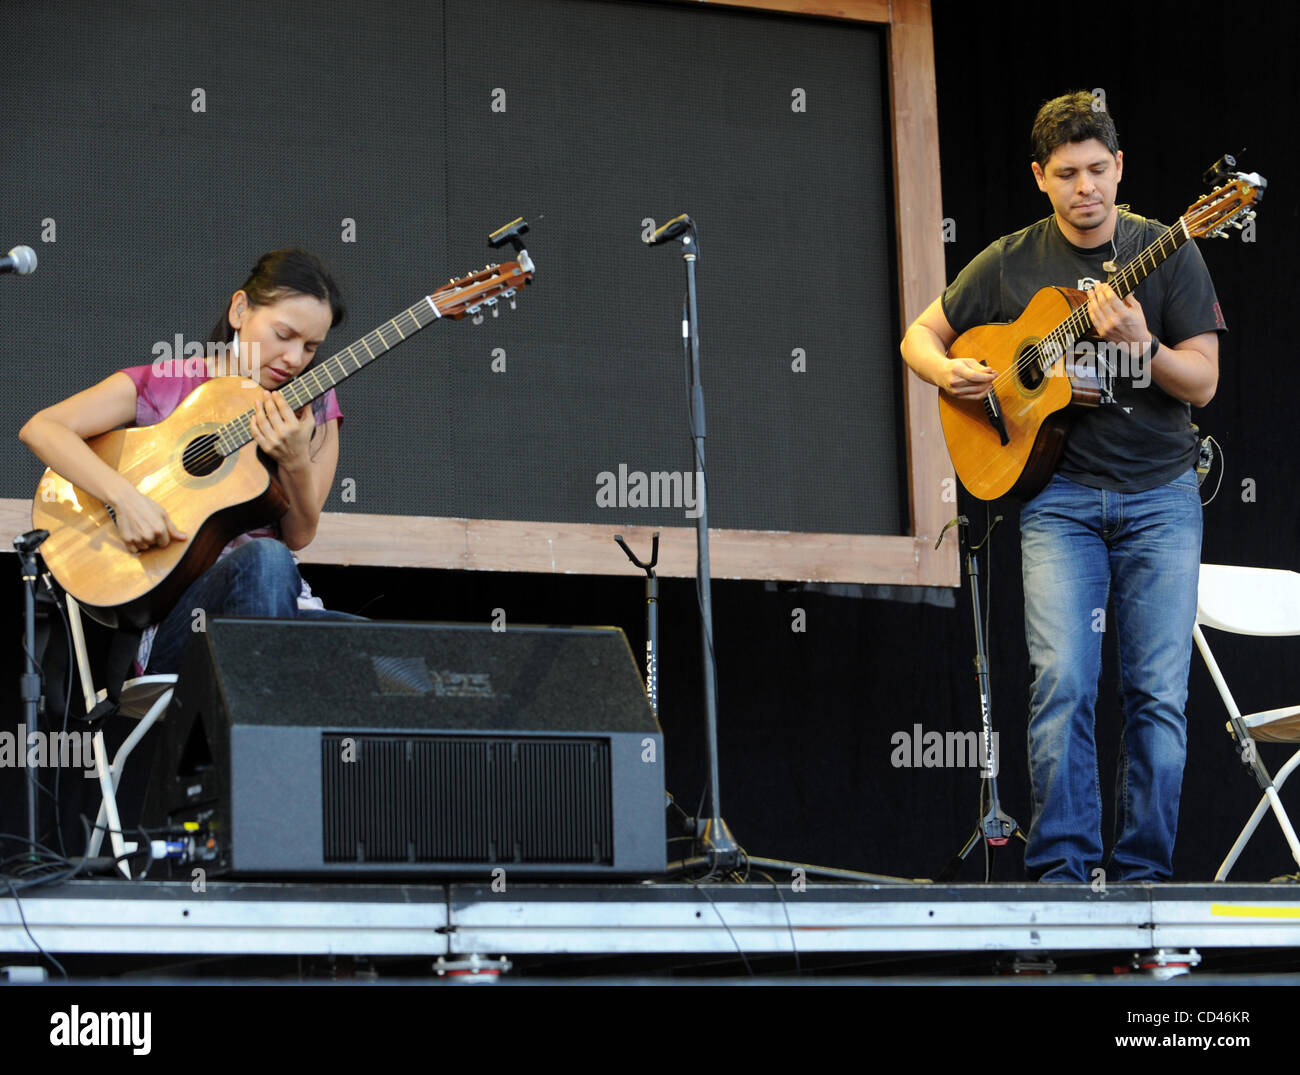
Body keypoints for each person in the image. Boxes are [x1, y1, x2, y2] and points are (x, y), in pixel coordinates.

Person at [900, 92, 1226, 882]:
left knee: (1156, 694)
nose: (1087, 188)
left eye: (1099, 170)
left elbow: (1204, 383)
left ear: (1121, 169)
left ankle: (1146, 878)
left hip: (1160, 498)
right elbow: (920, 335)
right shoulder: (1011, 260)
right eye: (1068, 174)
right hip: (1058, 500)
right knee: (1063, 683)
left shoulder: (1169, 247)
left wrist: (1142, 346)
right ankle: (1063, 877)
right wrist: (953, 373)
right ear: (1041, 177)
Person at [20, 247, 357, 676]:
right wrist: (125, 499)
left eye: (310, 346)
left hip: (283, 607)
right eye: (284, 334)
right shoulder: (165, 384)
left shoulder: (314, 407)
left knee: (401, 661)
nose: (295, 359)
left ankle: (267, 720)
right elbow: (43, 428)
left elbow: (300, 534)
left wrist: (295, 461)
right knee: (265, 558)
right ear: (240, 310)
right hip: (180, 621)